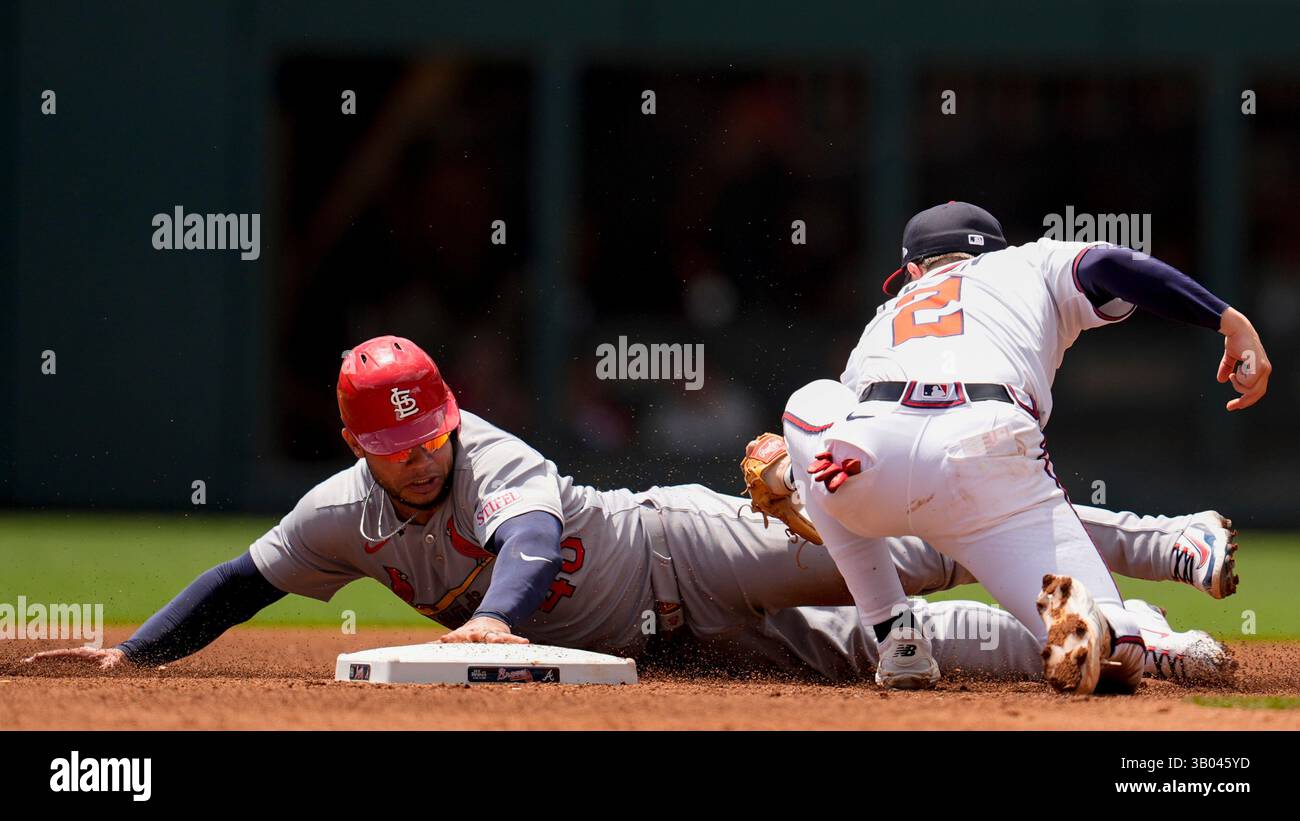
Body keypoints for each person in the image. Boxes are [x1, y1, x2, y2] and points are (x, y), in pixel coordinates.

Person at [24, 335, 1238, 686]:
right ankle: (1135, 644)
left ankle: (1165, 543)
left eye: (428, 430)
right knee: (881, 656)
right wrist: (137, 647)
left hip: (684, 547)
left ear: (450, 413)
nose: (417, 454)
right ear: (358, 445)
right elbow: (245, 575)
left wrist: (498, 620)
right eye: (394, 443)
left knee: (920, 548)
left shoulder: (487, 453)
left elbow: (537, 540)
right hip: (669, 649)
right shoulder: (340, 511)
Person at [775, 201, 1269, 693]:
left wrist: (796, 477)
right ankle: (1114, 628)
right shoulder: (1028, 261)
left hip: (869, 456)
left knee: (812, 401)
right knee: (1113, 657)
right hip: (990, 456)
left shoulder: (884, 318)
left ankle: (895, 638)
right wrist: (1228, 321)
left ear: (911, 271)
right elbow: (1112, 267)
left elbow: (844, 413)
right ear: (994, 249)